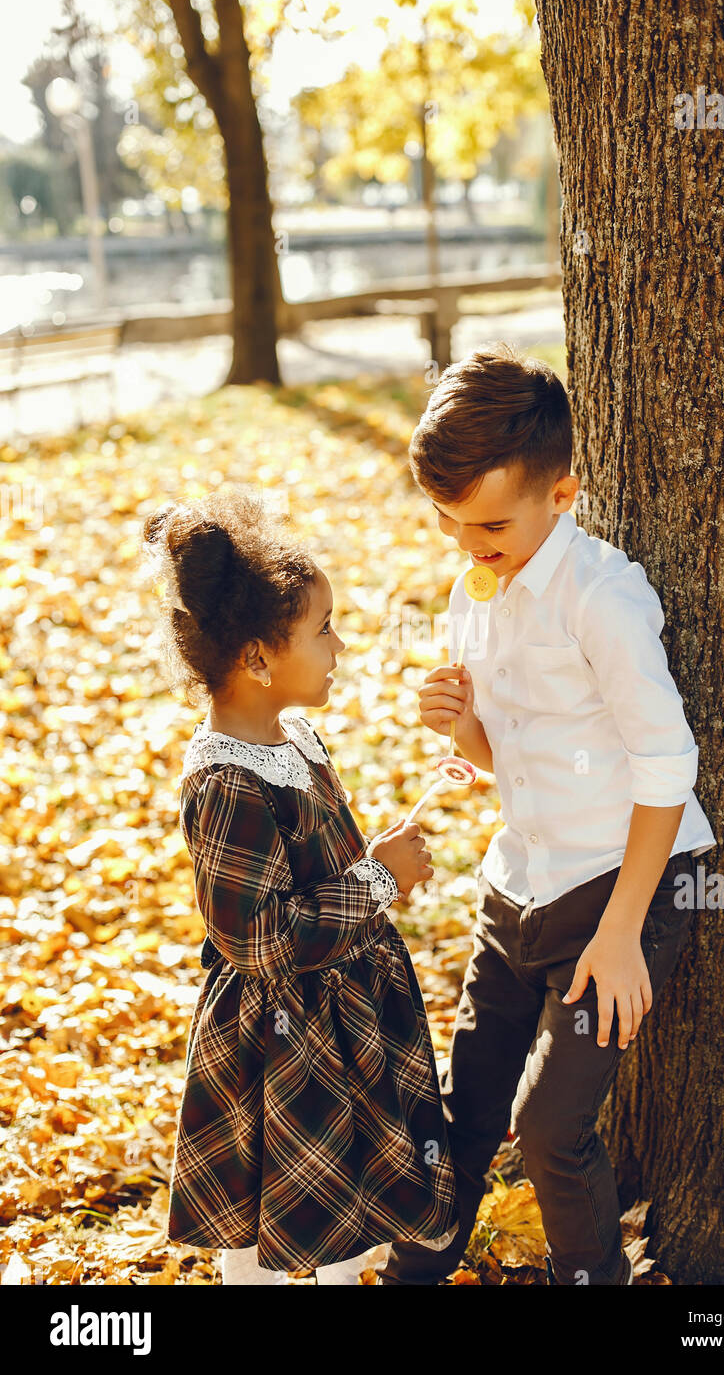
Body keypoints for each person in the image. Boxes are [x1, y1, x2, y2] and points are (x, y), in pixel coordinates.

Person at [378, 344, 717, 1286]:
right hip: (518, 882)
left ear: (563, 495)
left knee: (548, 1127)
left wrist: (619, 936)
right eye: (448, 522)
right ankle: (418, 1266)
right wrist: (469, 730)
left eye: (487, 523)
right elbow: (514, 759)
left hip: (622, 885)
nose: (466, 545)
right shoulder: (472, 591)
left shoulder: (602, 597)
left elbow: (666, 767)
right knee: (470, 1108)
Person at [142, 488, 457, 1284]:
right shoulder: (224, 783)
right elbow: (262, 940)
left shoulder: (295, 735)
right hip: (277, 1040)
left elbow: (319, 866)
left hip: (343, 1017)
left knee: (344, 1207)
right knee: (264, 1219)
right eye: (322, 631)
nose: (339, 646)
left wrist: (372, 863)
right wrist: (380, 880)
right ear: (256, 658)